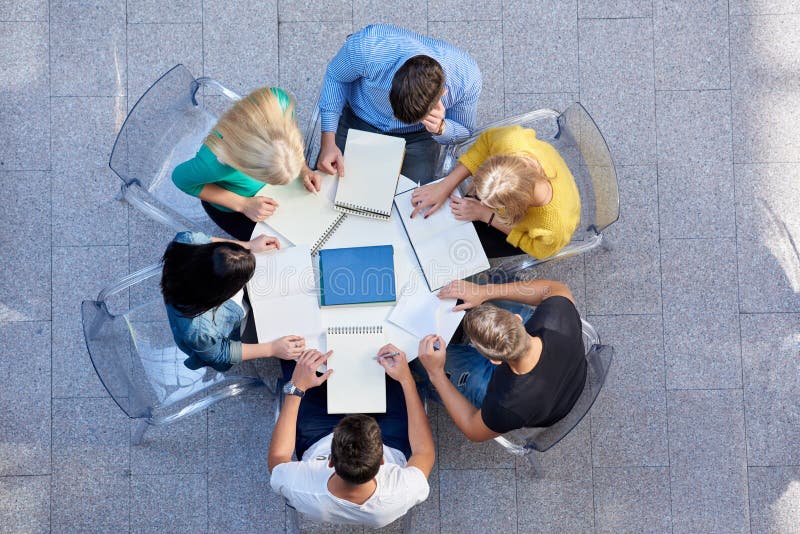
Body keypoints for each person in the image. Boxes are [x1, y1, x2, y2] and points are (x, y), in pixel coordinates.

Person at [268, 346, 435, 528]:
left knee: (299, 360)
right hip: (391, 441)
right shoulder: (405, 489)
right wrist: (406, 379)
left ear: (330, 461)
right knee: (394, 367)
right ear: (381, 461)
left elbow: (278, 458)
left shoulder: (299, 485)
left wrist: (297, 387)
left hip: (317, 437)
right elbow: (423, 451)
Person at [412, 279, 586, 442]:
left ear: (493, 360)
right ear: (517, 319)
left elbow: (473, 429)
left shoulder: (506, 404)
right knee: (470, 290)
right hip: (571, 371)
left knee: (418, 357)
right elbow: (555, 289)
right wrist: (483, 291)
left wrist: (436, 374)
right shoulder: (559, 317)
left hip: (542, 406)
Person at [316, 24, 482, 184]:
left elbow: (465, 130)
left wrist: (441, 128)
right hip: (360, 118)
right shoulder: (368, 46)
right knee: (326, 183)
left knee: (418, 201)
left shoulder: (466, 79)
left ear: (443, 95)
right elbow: (336, 77)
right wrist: (328, 143)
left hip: (418, 137)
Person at [409, 125, 581, 259]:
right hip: (509, 206)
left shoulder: (554, 227)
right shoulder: (511, 142)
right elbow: (486, 143)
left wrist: (486, 215)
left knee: (456, 245)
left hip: (526, 233)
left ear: (513, 209)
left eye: (489, 203)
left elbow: (539, 249)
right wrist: (445, 185)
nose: (474, 197)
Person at [172, 86, 320, 241]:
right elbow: (180, 180)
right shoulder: (214, 164)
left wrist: (301, 167)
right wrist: (243, 205)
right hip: (235, 208)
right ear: (246, 165)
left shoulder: (278, 103)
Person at [161, 231, 307, 372]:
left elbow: (212, 244)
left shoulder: (188, 242)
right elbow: (220, 354)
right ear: (224, 292)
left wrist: (248, 246)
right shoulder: (200, 332)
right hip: (222, 334)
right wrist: (272, 349)